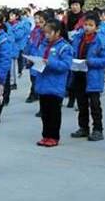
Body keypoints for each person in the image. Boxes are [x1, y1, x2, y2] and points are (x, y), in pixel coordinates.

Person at [70, 12, 105, 142]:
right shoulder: (78, 38)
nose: (87, 27)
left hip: (93, 76)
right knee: (81, 104)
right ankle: (83, 127)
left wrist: (91, 62)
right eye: (85, 25)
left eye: (90, 25)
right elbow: (72, 51)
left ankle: (98, 129)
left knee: (94, 105)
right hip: (79, 73)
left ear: (96, 27)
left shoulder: (100, 40)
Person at [34, 19, 73, 147]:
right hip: (43, 83)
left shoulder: (65, 47)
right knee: (44, 113)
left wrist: (50, 63)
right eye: (45, 33)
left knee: (54, 113)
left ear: (57, 32)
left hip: (55, 85)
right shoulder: (43, 44)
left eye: (49, 33)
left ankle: (54, 136)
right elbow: (39, 58)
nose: (47, 35)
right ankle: (45, 135)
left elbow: (65, 65)